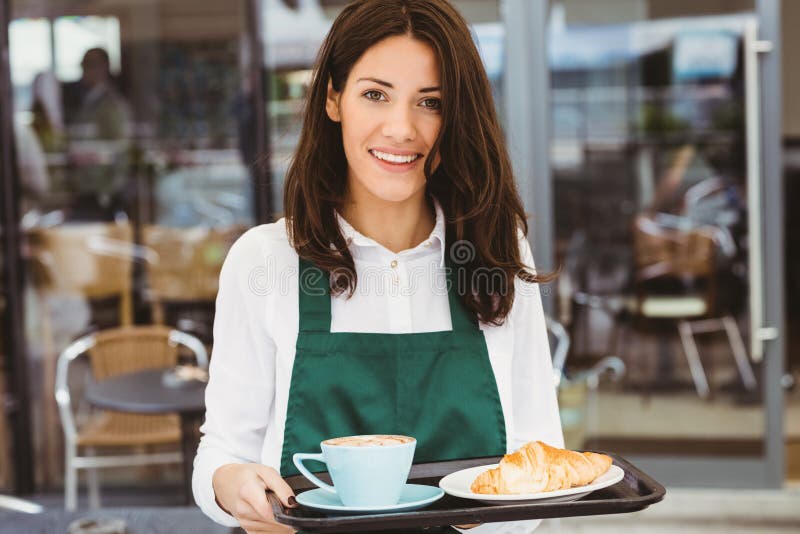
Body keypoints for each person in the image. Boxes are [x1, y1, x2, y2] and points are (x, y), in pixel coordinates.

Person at [193, 1, 563, 533]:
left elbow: (537, 453)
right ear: (333, 99)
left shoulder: (496, 253)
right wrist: (231, 487)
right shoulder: (266, 258)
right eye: (375, 94)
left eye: (430, 102)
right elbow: (223, 452)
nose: (401, 128)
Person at [63, 47, 132, 220]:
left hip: (101, 192)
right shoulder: (87, 101)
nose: (85, 70)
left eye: (90, 65)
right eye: (84, 65)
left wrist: (107, 192)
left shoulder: (112, 105)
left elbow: (121, 148)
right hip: (86, 188)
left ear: (104, 67)